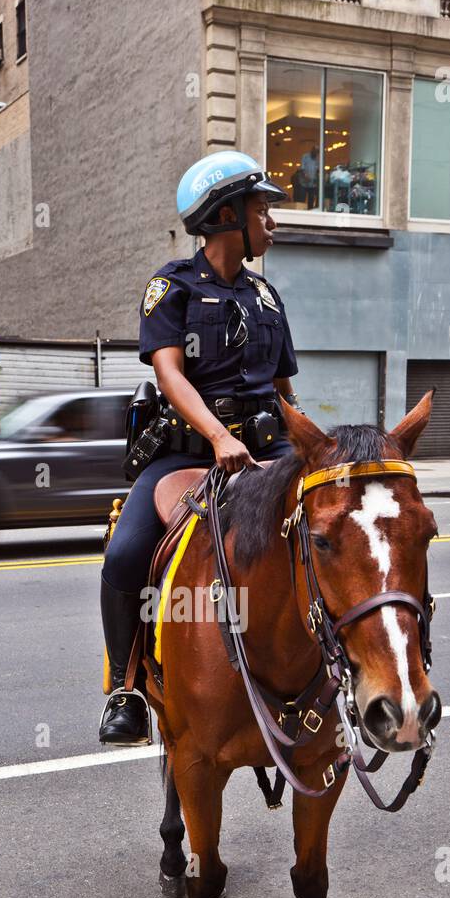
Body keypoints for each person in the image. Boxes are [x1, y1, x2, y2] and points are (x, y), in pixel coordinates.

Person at [98, 150, 302, 746]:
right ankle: (126, 689)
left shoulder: (267, 298)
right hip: (188, 454)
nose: (273, 221)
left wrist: (312, 445)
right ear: (227, 213)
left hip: (268, 451)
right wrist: (218, 436)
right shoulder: (171, 288)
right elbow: (170, 375)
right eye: (263, 209)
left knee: (342, 531)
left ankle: (346, 670)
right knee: (126, 554)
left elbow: (286, 389)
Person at [300, 145, 319, 210]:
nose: (316, 154)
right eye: (315, 151)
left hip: (312, 183)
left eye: (317, 152)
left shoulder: (317, 159)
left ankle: (310, 210)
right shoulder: (305, 156)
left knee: (311, 199)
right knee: (302, 198)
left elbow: (318, 170)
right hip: (304, 182)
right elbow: (302, 168)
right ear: (312, 150)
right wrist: (305, 176)